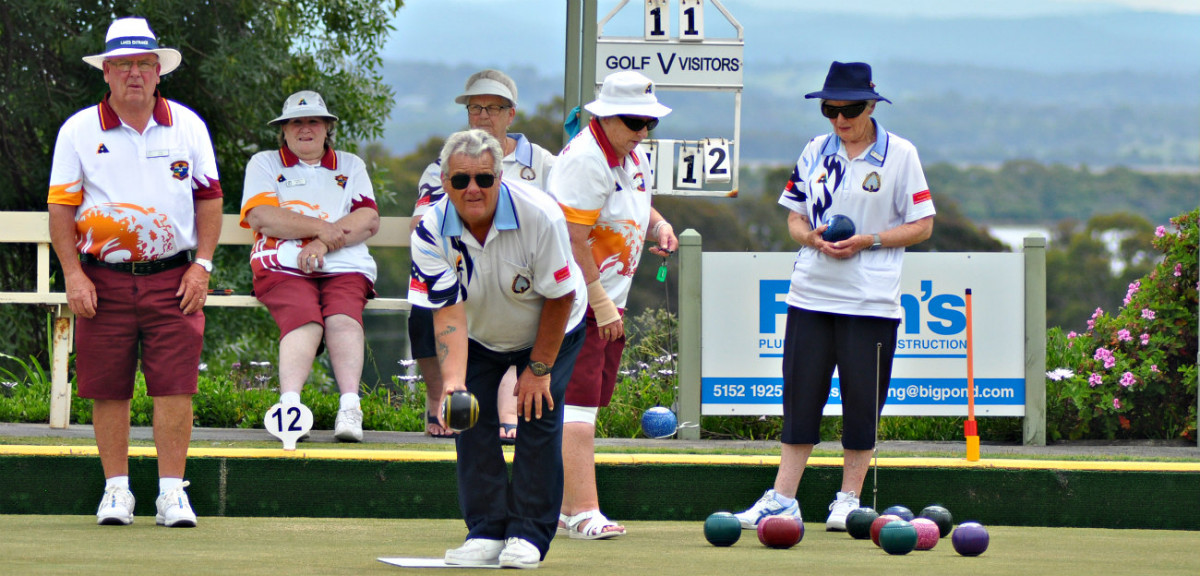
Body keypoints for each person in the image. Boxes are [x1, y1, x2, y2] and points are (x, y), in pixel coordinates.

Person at [733, 61, 936, 531]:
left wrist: (869, 240)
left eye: (849, 109)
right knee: (800, 398)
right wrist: (814, 239)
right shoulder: (813, 151)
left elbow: (923, 225)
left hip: (870, 300)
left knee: (862, 401)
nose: (840, 120)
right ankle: (783, 498)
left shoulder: (901, 154)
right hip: (810, 294)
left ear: (871, 105)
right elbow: (794, 218)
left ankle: (848, 499)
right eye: (830, 109)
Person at [47, 17, 222, 527]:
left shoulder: (189, 125)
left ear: (158, 70)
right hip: (101, 278)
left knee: (176, 385)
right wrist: (73, 276)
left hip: (176, 277)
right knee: (109, 386)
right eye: (122, 64)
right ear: (106, 72)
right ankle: (116, 491)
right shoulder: (78, 129)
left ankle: (172, 493)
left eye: (144, 63)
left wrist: (203, 267)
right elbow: (61, 211)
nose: (134, 74)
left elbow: (209, 199)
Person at [409, 129, 586, 569]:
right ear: (445, 181)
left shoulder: (539, 215)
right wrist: (453, 384)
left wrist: (539, 368)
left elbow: (560, 296)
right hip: (479, 330)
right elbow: (447, 311)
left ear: (499, 178)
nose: (473, 189)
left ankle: (528, 535)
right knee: (468, 415)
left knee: (537, 413)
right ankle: (486, 530)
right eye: (462, 180)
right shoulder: (430, 230)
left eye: (484, 179)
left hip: (553, 323)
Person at [548, 70, 678, 540]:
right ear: (604, 116)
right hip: (577, 300)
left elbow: (634, 204)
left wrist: (658, 224)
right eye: (633, 121)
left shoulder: (630, 153)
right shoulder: (585, 160)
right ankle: (583, 511)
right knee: (578, 409)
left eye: (650, 123)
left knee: (590, 405)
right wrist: (599, 302)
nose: (643, 132)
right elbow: (571, 236)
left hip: (606, 301)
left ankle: (566, 509)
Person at [409, 69, 557, 443]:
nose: (484, 116)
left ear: (512, 114)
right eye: (476, 108)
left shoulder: (543, 164)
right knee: (425, 303)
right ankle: (441, 395)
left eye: (494, 107)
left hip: (527, 271)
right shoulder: (444, 165)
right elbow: (422, 225)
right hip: (461, 269)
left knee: (515, 302)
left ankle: (507, 406)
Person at [240, 90, 380, 442]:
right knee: (306, 318)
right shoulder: (265, 163)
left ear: (327, 127)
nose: (305, 129)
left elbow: (368, 218)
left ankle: (350, 408)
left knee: (343, 318)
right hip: (281, 264)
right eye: (296, 122)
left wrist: (323, 242)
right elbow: (263, 217)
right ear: (283, 130)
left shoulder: (350, 165)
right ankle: (291, 407)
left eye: (313, 121)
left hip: (343, 262)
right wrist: (323, 228)